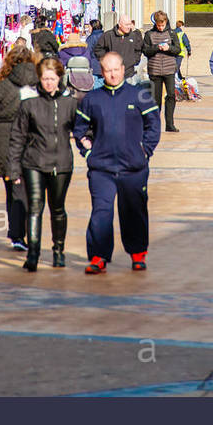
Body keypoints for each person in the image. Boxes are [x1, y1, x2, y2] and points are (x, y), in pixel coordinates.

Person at [73, 51, 161, 273]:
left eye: (115, 69)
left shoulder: (140, 95)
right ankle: (98, 256)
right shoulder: (92, 99)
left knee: (133, 210)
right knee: (101, 212)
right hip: (101, 168)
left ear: (123, 69)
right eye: (107, 70)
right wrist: (88, 153)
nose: (112, 74)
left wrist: (145, 151)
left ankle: (138, 253)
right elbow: (79, 130)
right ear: (102, 72)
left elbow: (154, 125)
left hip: (134, 168)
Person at [9, 57, 80, 271]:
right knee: (35, 208)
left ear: (59, 78)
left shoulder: (70, 103)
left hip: (61, 163)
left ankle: (58, 251)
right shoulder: (29, 103)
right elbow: (17, 136)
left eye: (52, 78)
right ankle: (33, 253)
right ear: (39, 79)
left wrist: (88, 141)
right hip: (34, 162)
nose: (49, 82)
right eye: (45, 78)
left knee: (57, 209)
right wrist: (13, 167)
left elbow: (83, 128)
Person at [0, 43, 39, 252]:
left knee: (13, 188)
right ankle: (26, 232)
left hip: (5, 137)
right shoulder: (38, 82)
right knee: (30, 189)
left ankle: (16, 234)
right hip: (32, 136)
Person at [142, 10, 182, 133]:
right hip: (155, 70)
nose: (160, 28)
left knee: (171, 95)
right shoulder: (149, 34)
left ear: (166, 22)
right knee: (155, 99)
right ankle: (154, 125)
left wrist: (169, 48)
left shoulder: (172, 33)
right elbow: (145, 51)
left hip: (169, 69)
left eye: (162, 25)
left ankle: (170, 124)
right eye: (158, 25)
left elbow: (178, 50)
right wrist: (156, 47)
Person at [95, 15, 143, 84]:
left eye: (130, 24)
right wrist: (106, 61)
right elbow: (98, 49)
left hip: (129, 75)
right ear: (120, 25)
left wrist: (134, 61)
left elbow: (138, 50)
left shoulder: (133, 36)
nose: (129, 27)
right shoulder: (109, 35)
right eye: (126, 25)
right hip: (113, 75)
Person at [85, 20, 106, 88]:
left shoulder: (91, 38)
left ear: (93, 27)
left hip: (95, 66)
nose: (88, 29)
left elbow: (87, 52)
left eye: (89, 27)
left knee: (97, 87)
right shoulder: (106, 35)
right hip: (105, 64)